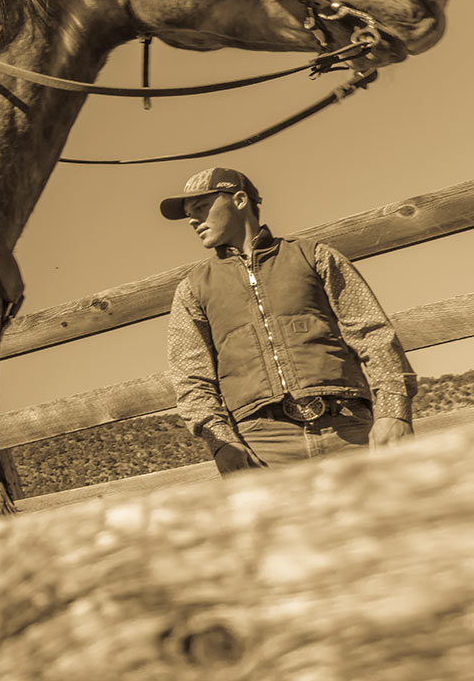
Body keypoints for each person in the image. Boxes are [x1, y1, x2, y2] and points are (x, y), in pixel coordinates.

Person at [161, 166, 416, 474]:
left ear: (239, 200)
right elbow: (191, 378)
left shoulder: (315, 256)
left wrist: (393, 412)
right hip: (262, 447)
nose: (192, 219)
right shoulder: (193, 289)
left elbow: (372, 333)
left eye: (201, 207)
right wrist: (221, 444)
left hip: (348, 427)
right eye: (189, 213)